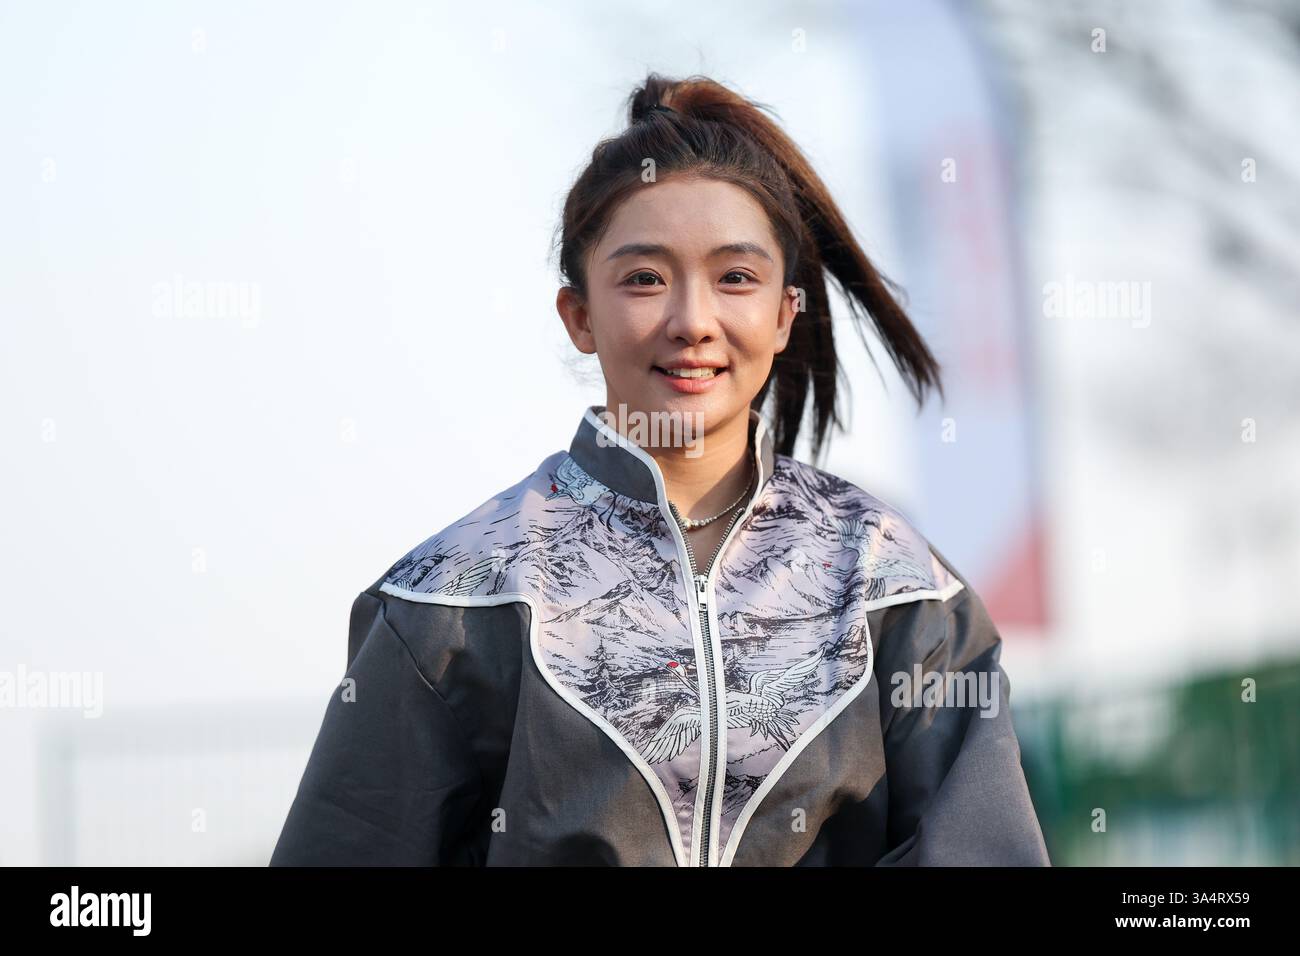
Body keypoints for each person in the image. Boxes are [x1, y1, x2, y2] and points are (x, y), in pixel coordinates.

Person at [270, 73, 1051, 867]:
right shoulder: (452, 598)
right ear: (579, 316)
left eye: (735, 278)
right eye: (644, 278)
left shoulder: (897, 587)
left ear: (785, 314)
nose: (692, 322)